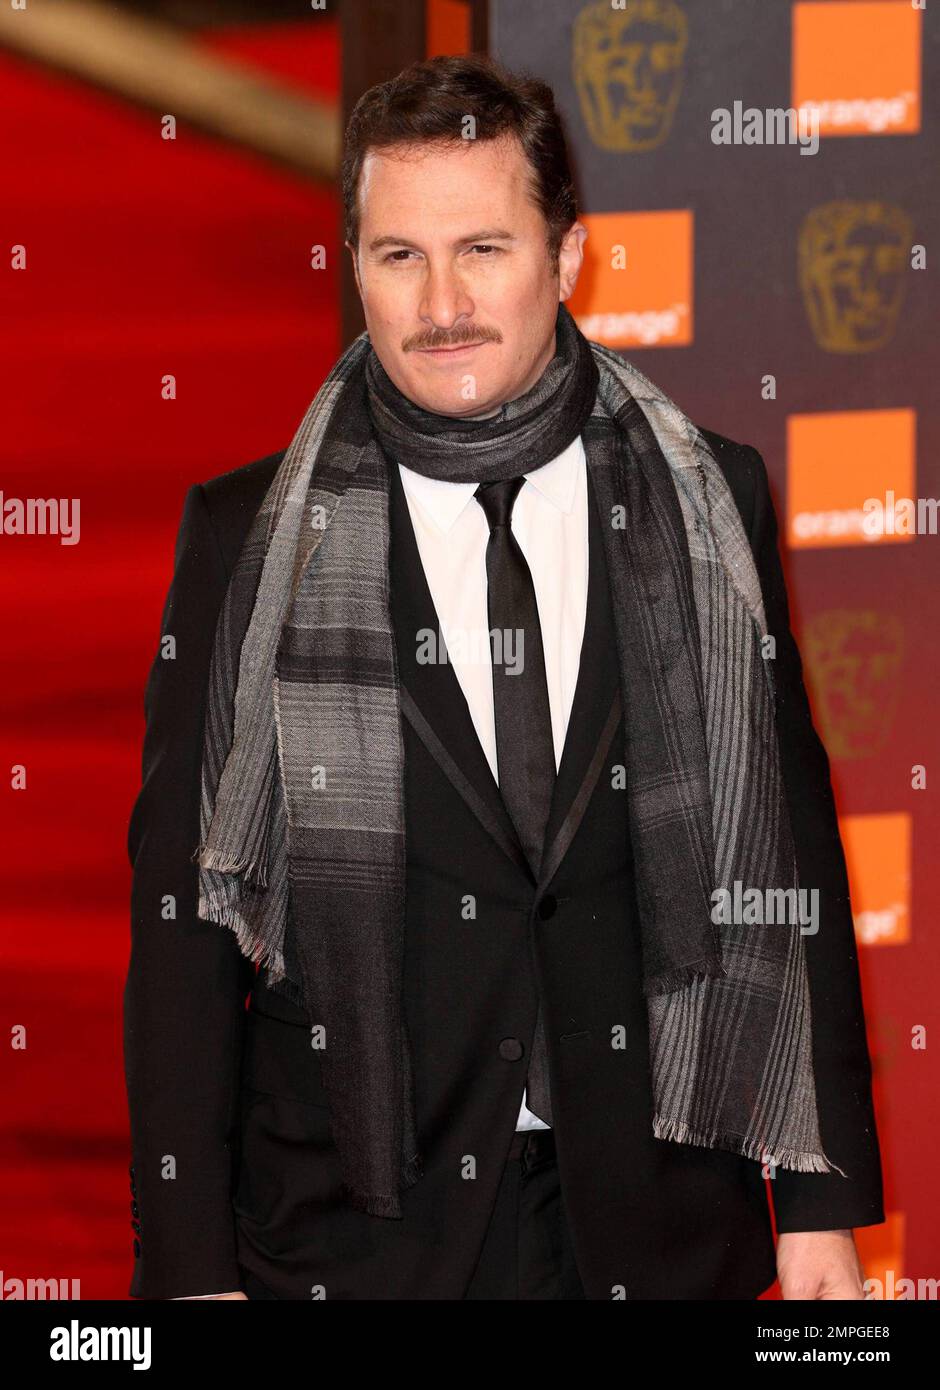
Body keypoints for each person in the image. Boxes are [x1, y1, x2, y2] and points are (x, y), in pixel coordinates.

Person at [123, 54, 884, 1301]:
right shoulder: (248, 536)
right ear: (356, 267)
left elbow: (782, 864)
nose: (441, 304)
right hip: (357, 1235)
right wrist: (189, 1271)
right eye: (398, 256)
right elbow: (184, 938)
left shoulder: (708, 502)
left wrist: (817, 1203)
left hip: (654, 1221)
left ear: (567, 256)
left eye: (483, 248)